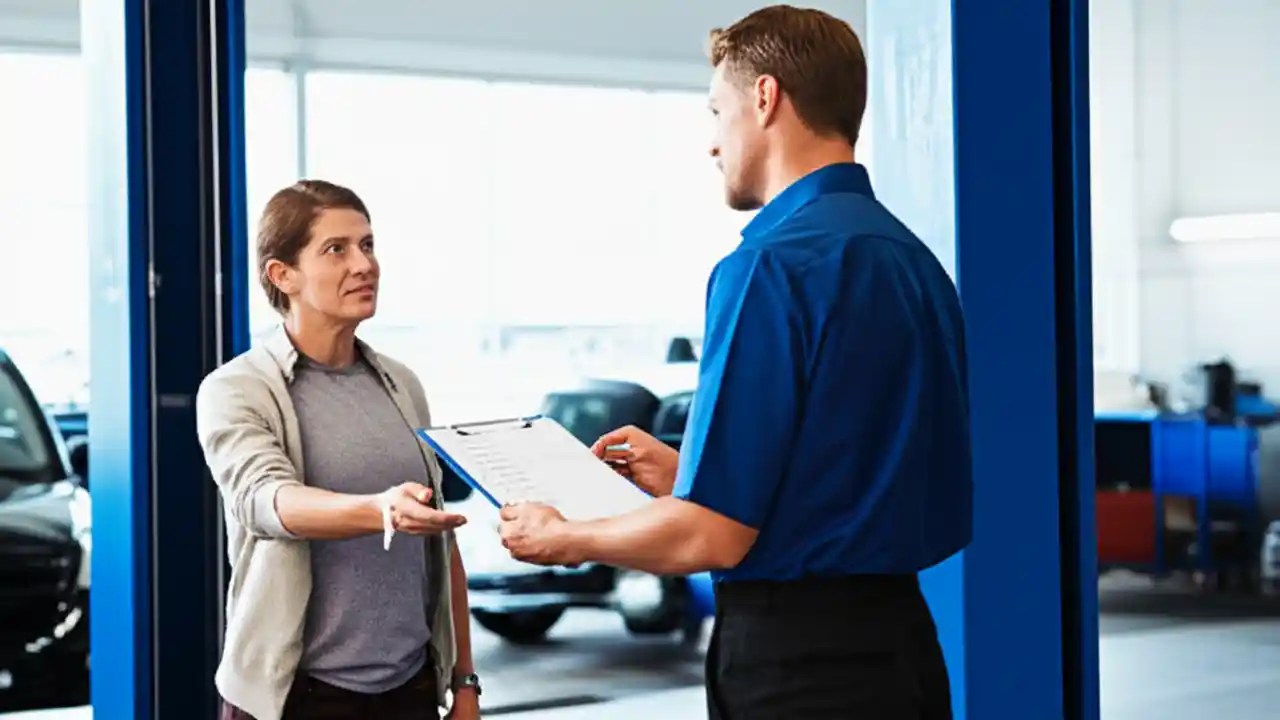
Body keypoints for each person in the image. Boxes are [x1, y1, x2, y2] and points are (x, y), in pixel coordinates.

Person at [497, 6, 972, 719]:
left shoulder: (769, 266)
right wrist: (692, 468)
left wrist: (565, 537)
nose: (712, 144)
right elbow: (847, 464)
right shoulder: (915, 264)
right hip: (905, 651)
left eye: (716, 111)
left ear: (764, 97)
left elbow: (713, 534)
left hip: (797, 672)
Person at [196, 180, 482, 720]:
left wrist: (464, 681)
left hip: (410, 688)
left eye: (368, 245)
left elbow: (442, 548)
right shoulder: (238, 388)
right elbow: (265, 501)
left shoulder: (401, 384)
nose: (364, 264)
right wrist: (378, 511)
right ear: (283, 275)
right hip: (296, 698)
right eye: (337, 249)